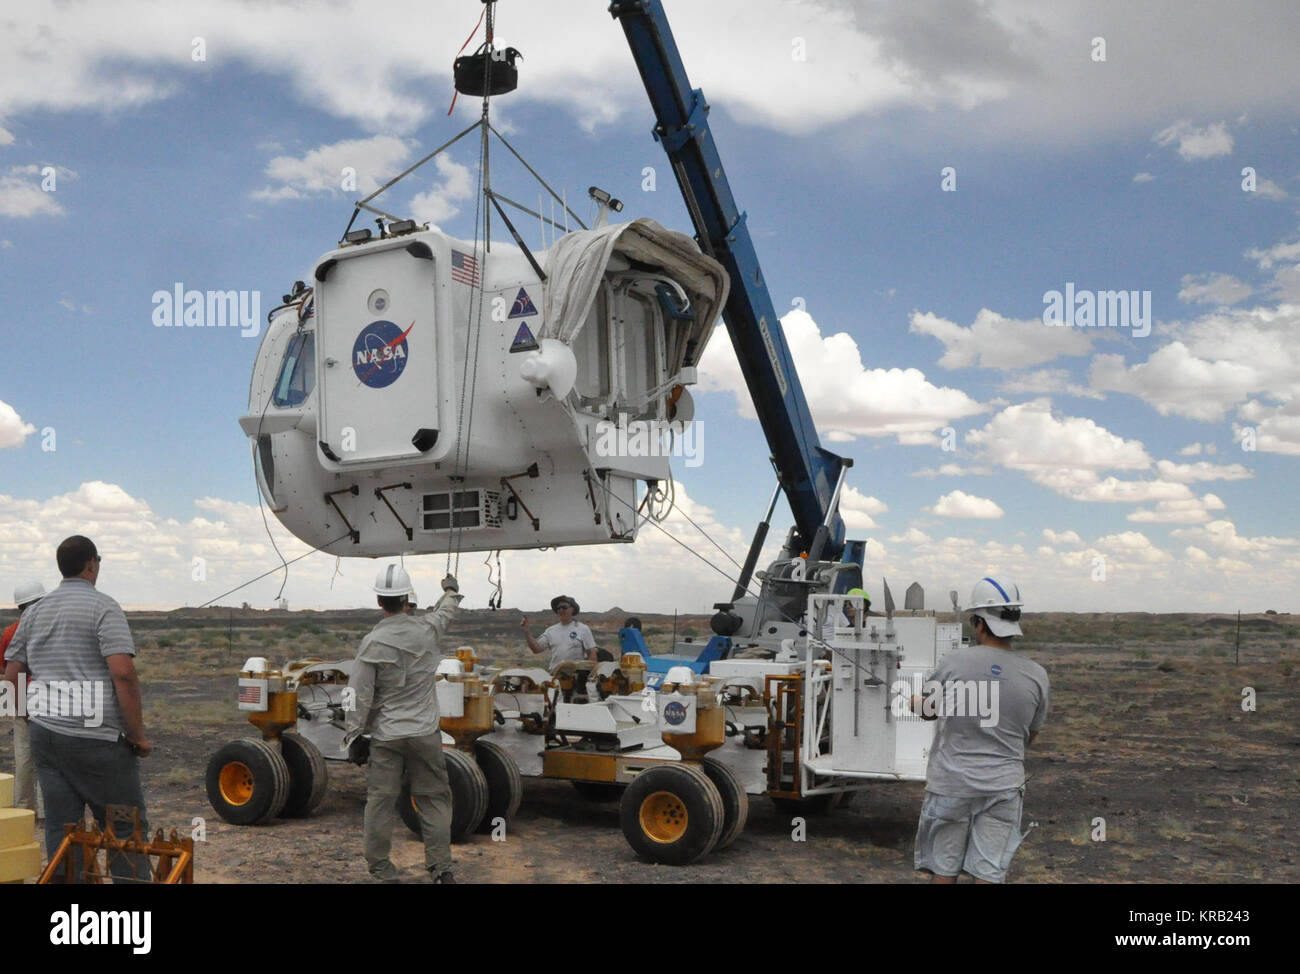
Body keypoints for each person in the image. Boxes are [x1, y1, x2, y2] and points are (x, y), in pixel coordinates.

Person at [2, 536, 151, 881]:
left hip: (46, 737)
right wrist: (137, 736)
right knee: (123, 827)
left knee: (63, 826)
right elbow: (124, 674)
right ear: (91, 564)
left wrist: (28, 715)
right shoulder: (104, 607)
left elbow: (11, 676)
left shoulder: (35, 612)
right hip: (98, 740)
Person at [910, 576, 1049, 885]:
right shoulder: (1037, 675)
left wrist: (913, 701)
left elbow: (926, 711)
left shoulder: (953, 662)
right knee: (987, 873)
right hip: (1003, 787)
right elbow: (1031, 735)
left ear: (981, 623)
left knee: (943, 871)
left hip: (951, 785)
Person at [345, 565, 462, 884]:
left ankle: (382, 872)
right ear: (405, 598)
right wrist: (450, 591)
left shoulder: (372, 643)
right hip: (425, 734)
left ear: (380, 601)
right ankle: (441, 869)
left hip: (387, 736)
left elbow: (356, 693)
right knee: (434, 799)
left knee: (381, 802)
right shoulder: (427, 629)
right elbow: (445, 613)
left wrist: (354, 734)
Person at [1, 581, 47, 816]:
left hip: (20, 698)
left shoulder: (10, 632)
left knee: (24, 755)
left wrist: (17, 704)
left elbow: (6, 671)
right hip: (49, 700)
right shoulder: (51, 628)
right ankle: (47, 812)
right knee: (48, 759)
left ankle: (24, 809)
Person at [520, 595, 597, 672]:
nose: (561, 610)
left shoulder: (583, 629)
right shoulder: (551, 631)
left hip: (575, 676)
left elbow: (592, 654)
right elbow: (536, 649)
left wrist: (587, 674)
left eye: (564, 607)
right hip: (555, 675)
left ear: (572, 609)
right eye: (558, 608)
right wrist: (526, 631)